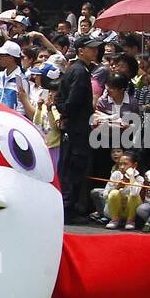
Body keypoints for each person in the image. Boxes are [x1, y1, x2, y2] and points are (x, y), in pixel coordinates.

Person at [56, 35, 99, 222]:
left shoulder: (73, 69)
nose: (95, 51)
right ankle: (68, 211)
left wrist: (64, 112)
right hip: (78, 129)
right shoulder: (80, 71)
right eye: (92, 48)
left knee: (68, 167)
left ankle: (66, 208)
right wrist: (67, 113)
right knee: (74, 168)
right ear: (81, 50)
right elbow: (72, 100)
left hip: (71, 126)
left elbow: (59, 97)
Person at [103, 152, 144, 230]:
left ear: (134, 165)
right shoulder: (116, 174)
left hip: (129, 211)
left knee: (133, 195)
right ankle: (114, 220)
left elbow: (135, 194)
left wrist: (131, 176)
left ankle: (130, 221)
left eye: (125, 164)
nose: (122, 167)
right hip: (116, 210)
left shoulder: (139, 178)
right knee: (114, 193)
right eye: (120, 164)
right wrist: (117, 187)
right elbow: (105, 194)